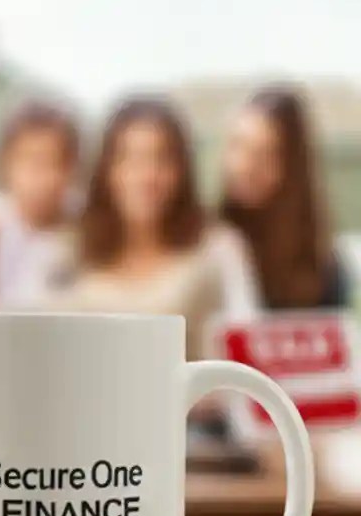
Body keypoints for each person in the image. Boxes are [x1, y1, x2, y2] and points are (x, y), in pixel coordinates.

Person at [60, 97, 261, 360]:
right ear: (106, 170)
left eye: (162, 159)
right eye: (130, 159)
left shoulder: (217, 247)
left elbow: (247, 349)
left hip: (192, 399)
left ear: (182, 170)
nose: (147, 175)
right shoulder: (71, 247)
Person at [220, 86, 349, 309]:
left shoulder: (324, 268)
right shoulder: (206, 242)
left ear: (293, 167)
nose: (245, 165)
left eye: (266, 154)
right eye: (238, 146)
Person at [0, 100, 80, 310]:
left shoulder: (79, 221)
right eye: (34, 162)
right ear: (6, 164)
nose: (46, 177)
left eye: (57, 163)